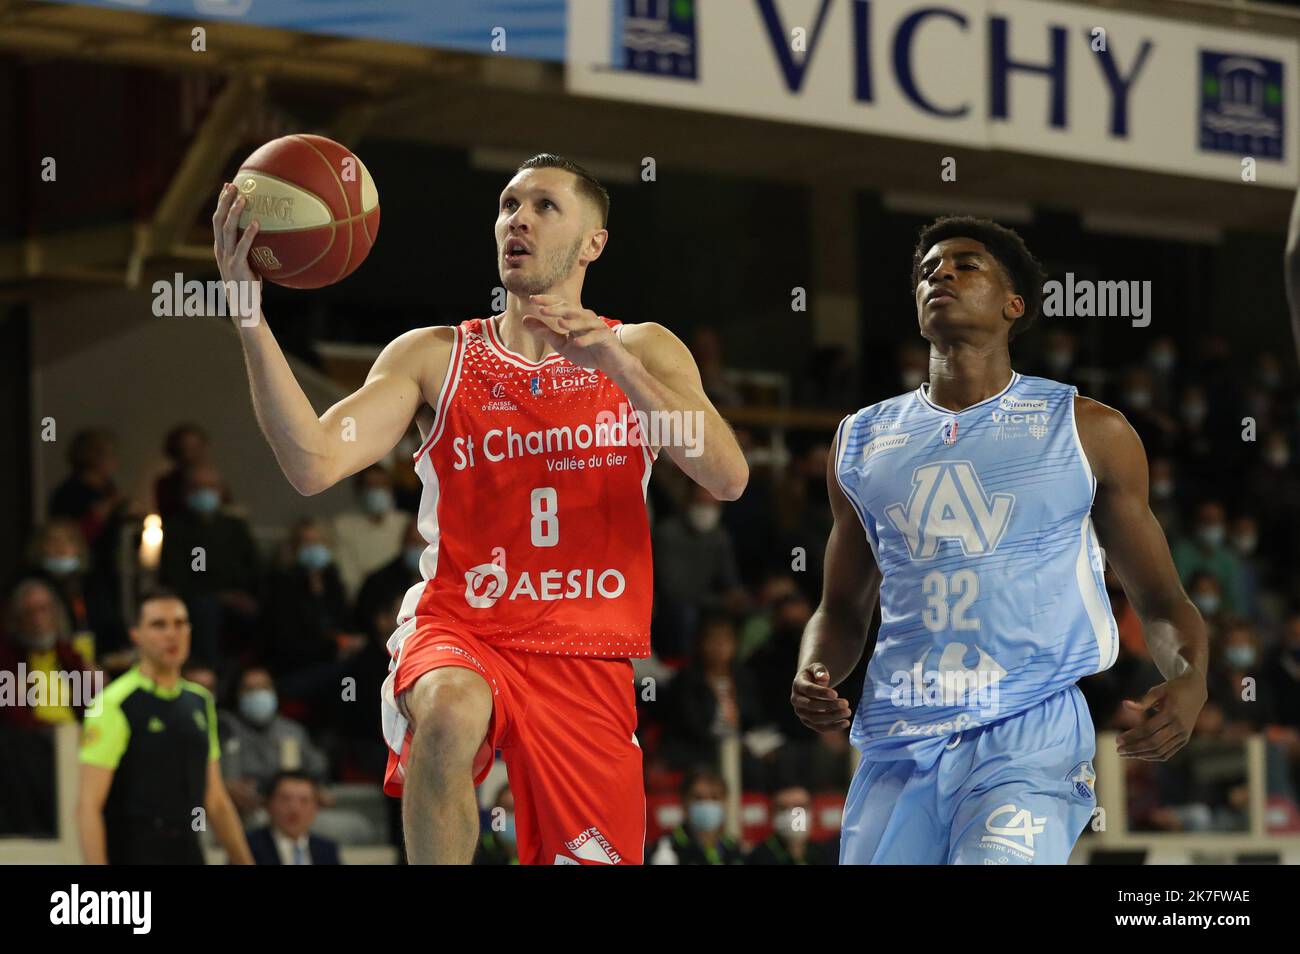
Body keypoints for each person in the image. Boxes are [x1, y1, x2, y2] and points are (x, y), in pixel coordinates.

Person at [212, 152, 748, 864]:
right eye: (506, 204)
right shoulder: (434, 355)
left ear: (594, 242)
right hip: (466, 626)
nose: (517, 218)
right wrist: (250, 317)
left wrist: (617, 368)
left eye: (544, 206)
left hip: (586, 654)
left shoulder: (641, 348)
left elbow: (726, 476)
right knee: (450, 710)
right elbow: (312, 462)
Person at [794, 217, 1208, 865]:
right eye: (929, 268)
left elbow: (1160, 599)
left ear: (1015, 306)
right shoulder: (861, 440)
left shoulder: (1087, 430)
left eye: (966, 264)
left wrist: (1190, 678)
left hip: (1028, 729)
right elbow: (843, 608)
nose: (941, 274)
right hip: (896, 739)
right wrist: (814, 667)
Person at [77, 589, 252, 864]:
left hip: (188, 847)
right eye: (159, 625)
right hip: (134, 851)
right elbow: (89, 806)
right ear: (136, 635)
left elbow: (216, 799)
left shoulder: (200, 701)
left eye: (180, 624)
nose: (172, 634)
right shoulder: (113, 703)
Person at [330, 465, 409, 601]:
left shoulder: (405, 523)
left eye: (382, 485)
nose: (377, 490)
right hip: (362, 600)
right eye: (371, 485)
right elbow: (348, 575)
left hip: (403, 598)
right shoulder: (343, 526)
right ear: (360, 491)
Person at [647, 767, 743, 865]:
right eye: (698, 798)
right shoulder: (666, 849)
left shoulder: (732, 848)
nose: (707, 804)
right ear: (684, 803)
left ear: (726, 803)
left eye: (714, 798)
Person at [246, 771, 341, 865]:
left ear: (316, 808)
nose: (294, 809)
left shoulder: (326, 850)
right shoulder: (248, 847)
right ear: (268, 805)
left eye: (304, 801)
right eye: (285, 799)